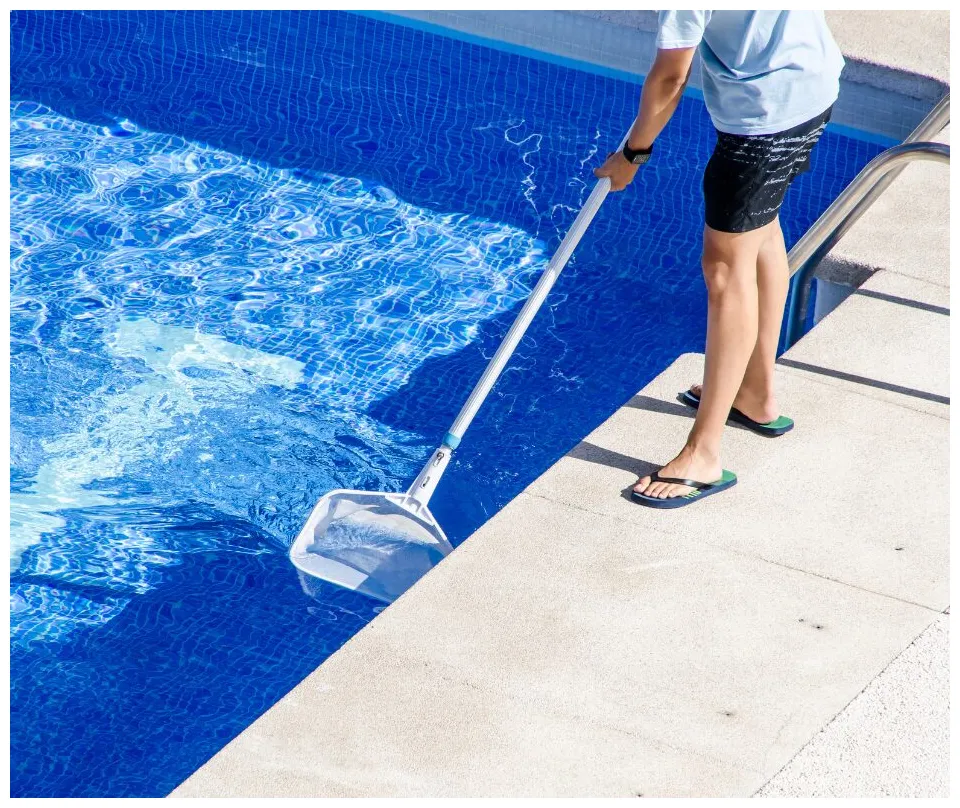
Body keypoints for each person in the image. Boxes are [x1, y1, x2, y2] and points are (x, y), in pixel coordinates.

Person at [595, 10, 844, 509]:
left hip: (763, 121)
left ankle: (703, 454)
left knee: (725, 271)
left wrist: (634, 154)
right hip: (811, 87)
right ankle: (756, 393)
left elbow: (671, 76)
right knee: (761, 232)